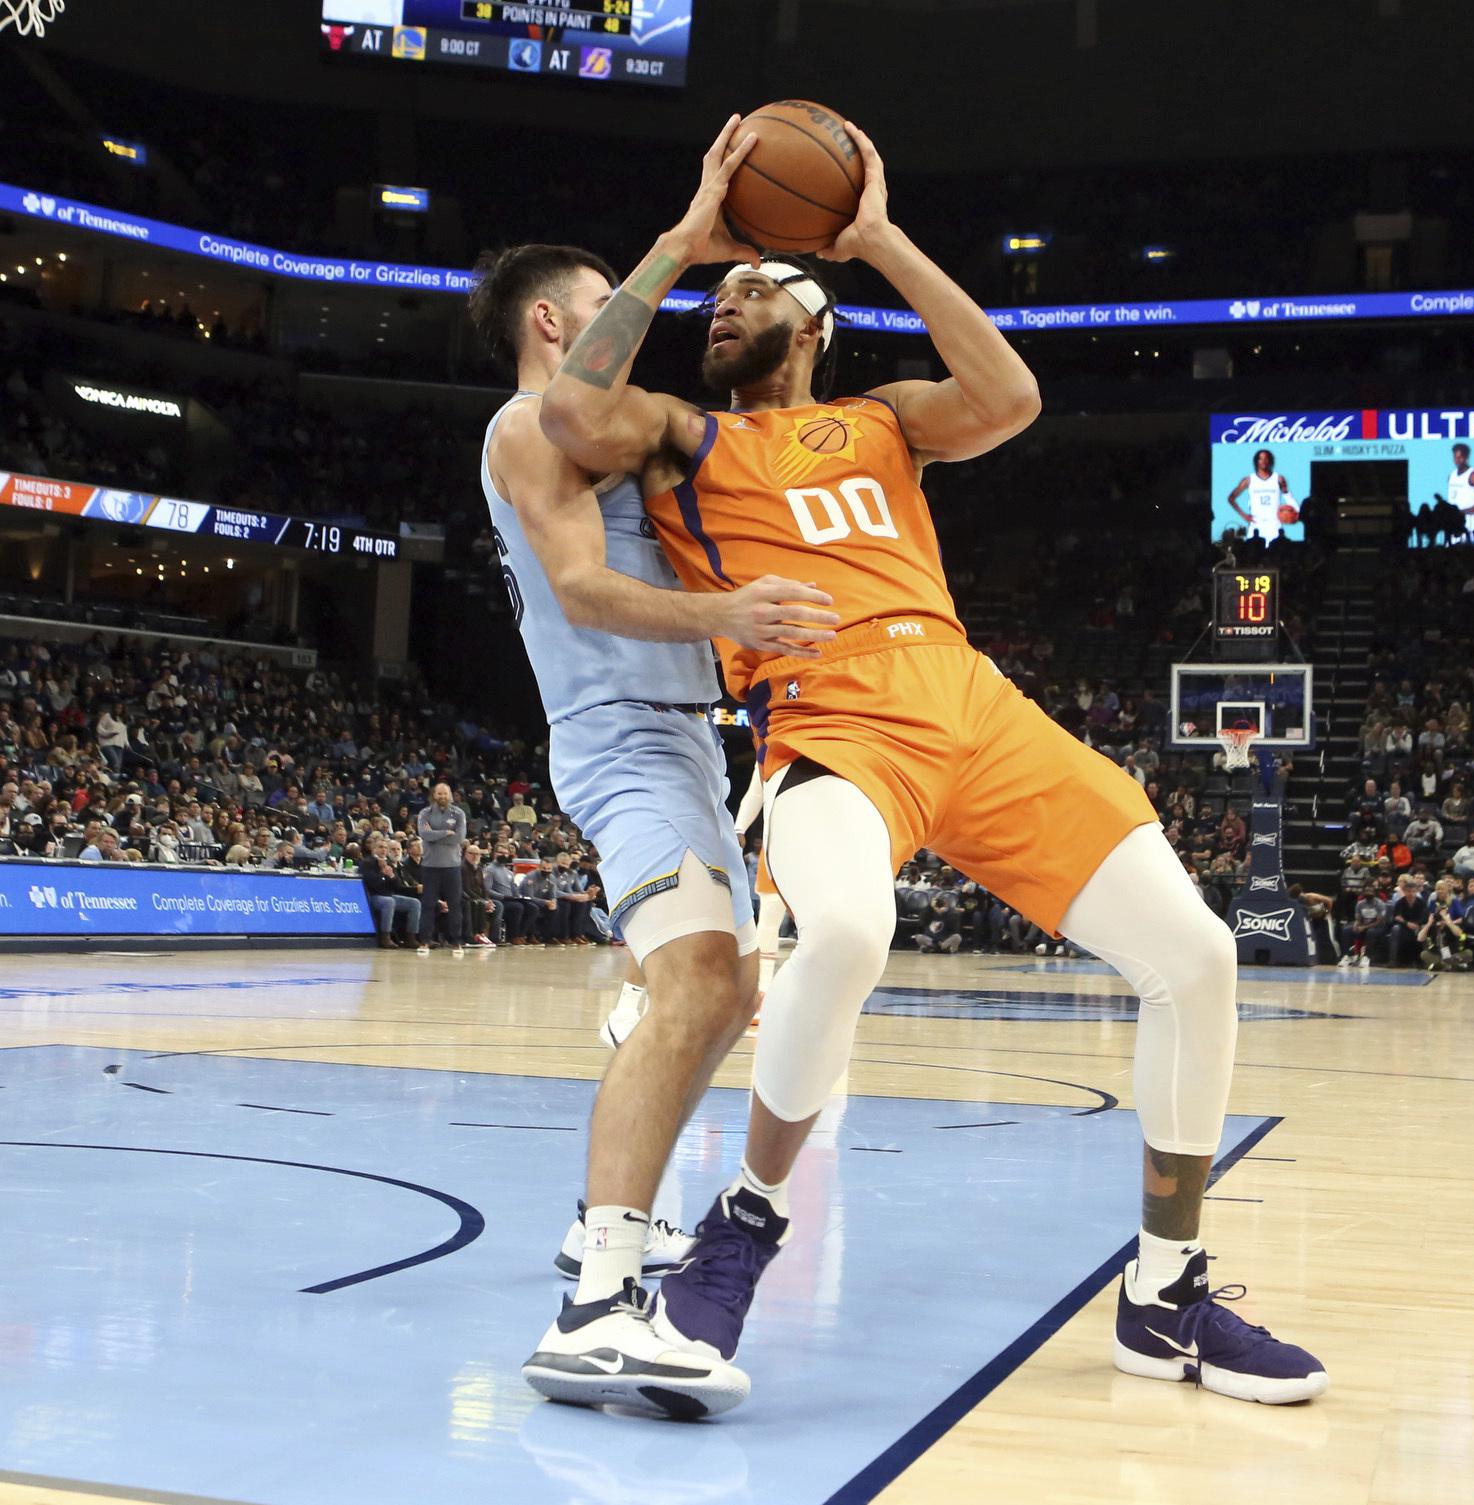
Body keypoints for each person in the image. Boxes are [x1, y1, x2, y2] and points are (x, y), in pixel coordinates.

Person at [533, 115, 1322, 1410]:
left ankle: (1164, 1292)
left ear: (817, 321)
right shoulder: (684, 438)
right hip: (831, 721)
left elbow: (1012, 398)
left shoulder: (885, 419)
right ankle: (743, 1222)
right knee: (843, 932)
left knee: (1200, 958)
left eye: (751, 288)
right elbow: (571, 408)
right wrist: (689, 234)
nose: (723, 306)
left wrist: (877, 237)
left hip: (968, 697)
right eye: (714, 298)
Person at [471, 173, 848, 1418]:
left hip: (679, 739)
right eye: (610, 310)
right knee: (694, 979)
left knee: (732, 983)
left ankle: (601, 1245)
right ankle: (594, 1308)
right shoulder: (529, 425)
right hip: (621, 735)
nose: (639, 330)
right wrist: (732, 614)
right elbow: (583, 590)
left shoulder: (609, 434)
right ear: (550, 328)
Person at [414, 782, 469, 956]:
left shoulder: (459, 813)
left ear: (450, 795)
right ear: (434, 795)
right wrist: (446, 832)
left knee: (455, 905)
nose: (442, 796)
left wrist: (435, 834)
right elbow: (424, 834)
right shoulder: (425, 813)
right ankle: (424, 941)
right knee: (428, 905)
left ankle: (456, 942)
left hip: (452, 866)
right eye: (439, 793)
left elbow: (459, 838)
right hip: (430, 866)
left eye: (445, 793)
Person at [1225, 448, 1296, 544]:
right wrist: (1244, 515)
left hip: (1274, 524)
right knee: (1253, 555)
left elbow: (1289, 498)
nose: (1263, 461)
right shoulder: (1249, 480)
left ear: (1270, 461)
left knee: (1274, 554)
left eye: (1266, 458)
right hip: (1256, 524)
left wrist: (1296, 512)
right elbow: (1231, 498)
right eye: (1260, 459)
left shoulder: (1278, 479)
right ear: (1256, 461)